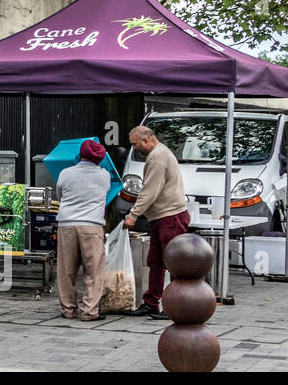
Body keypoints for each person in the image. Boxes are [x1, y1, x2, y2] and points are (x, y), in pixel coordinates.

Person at [124, 125, 189, 318]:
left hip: (170, 216)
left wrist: (133, 215)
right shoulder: (159, 154)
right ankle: (151, 302)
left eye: (135, 144)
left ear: (146, 140)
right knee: (156, 261)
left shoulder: (157, 157)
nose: (134, 148)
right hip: (163, 217)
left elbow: (149, 191)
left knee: (173, 263)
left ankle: (176, 306)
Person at [56, 139, 111, 321]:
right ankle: (89, 311)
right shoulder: (104, 175)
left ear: (80, 154)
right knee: (94, 271)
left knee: (66, 270)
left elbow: (60, 194)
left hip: (67, 225)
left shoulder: (66, 173)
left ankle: (68, 310)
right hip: (92, 226)